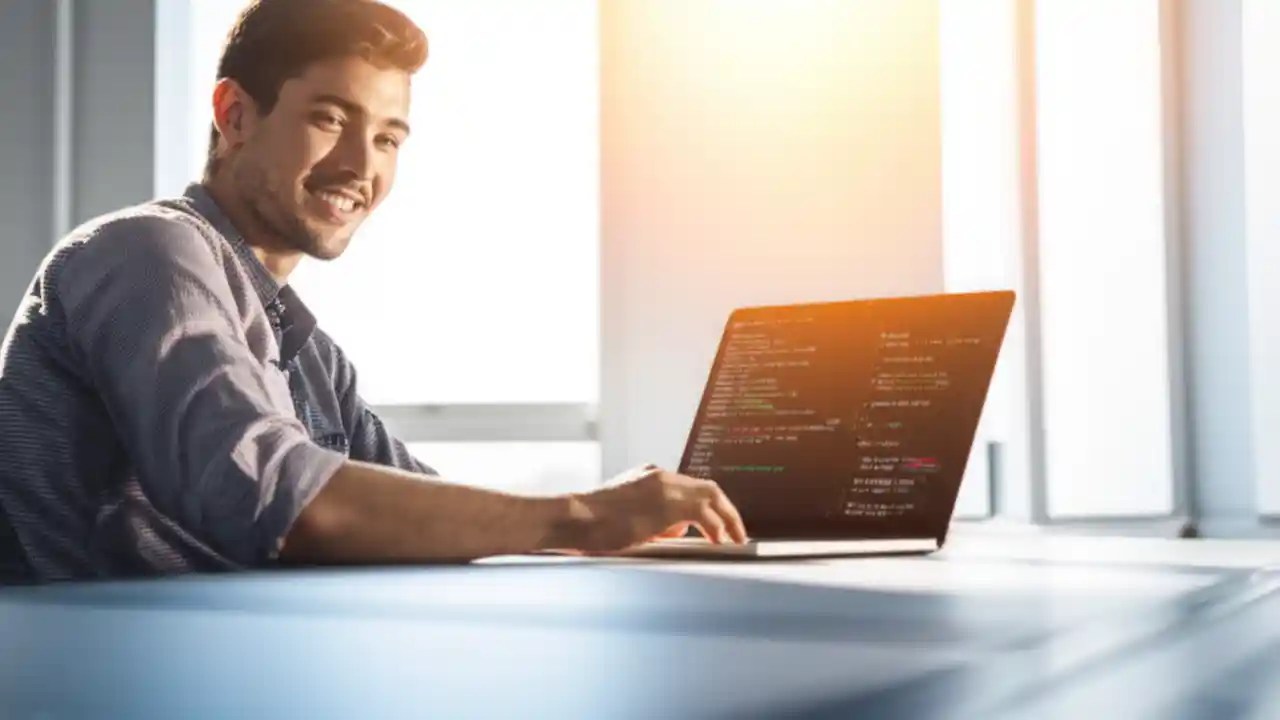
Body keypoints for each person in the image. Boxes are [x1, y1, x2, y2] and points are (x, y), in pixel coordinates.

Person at [0, 0, 746, 583]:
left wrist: (630, 530)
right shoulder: (146, 250)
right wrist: (582, 517)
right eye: (330, 119)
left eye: (389, 137)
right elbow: (272, 499)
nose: (361, 165)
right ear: (234, 114)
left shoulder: (314, 360)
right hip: (87, 675)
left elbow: (422, 518)